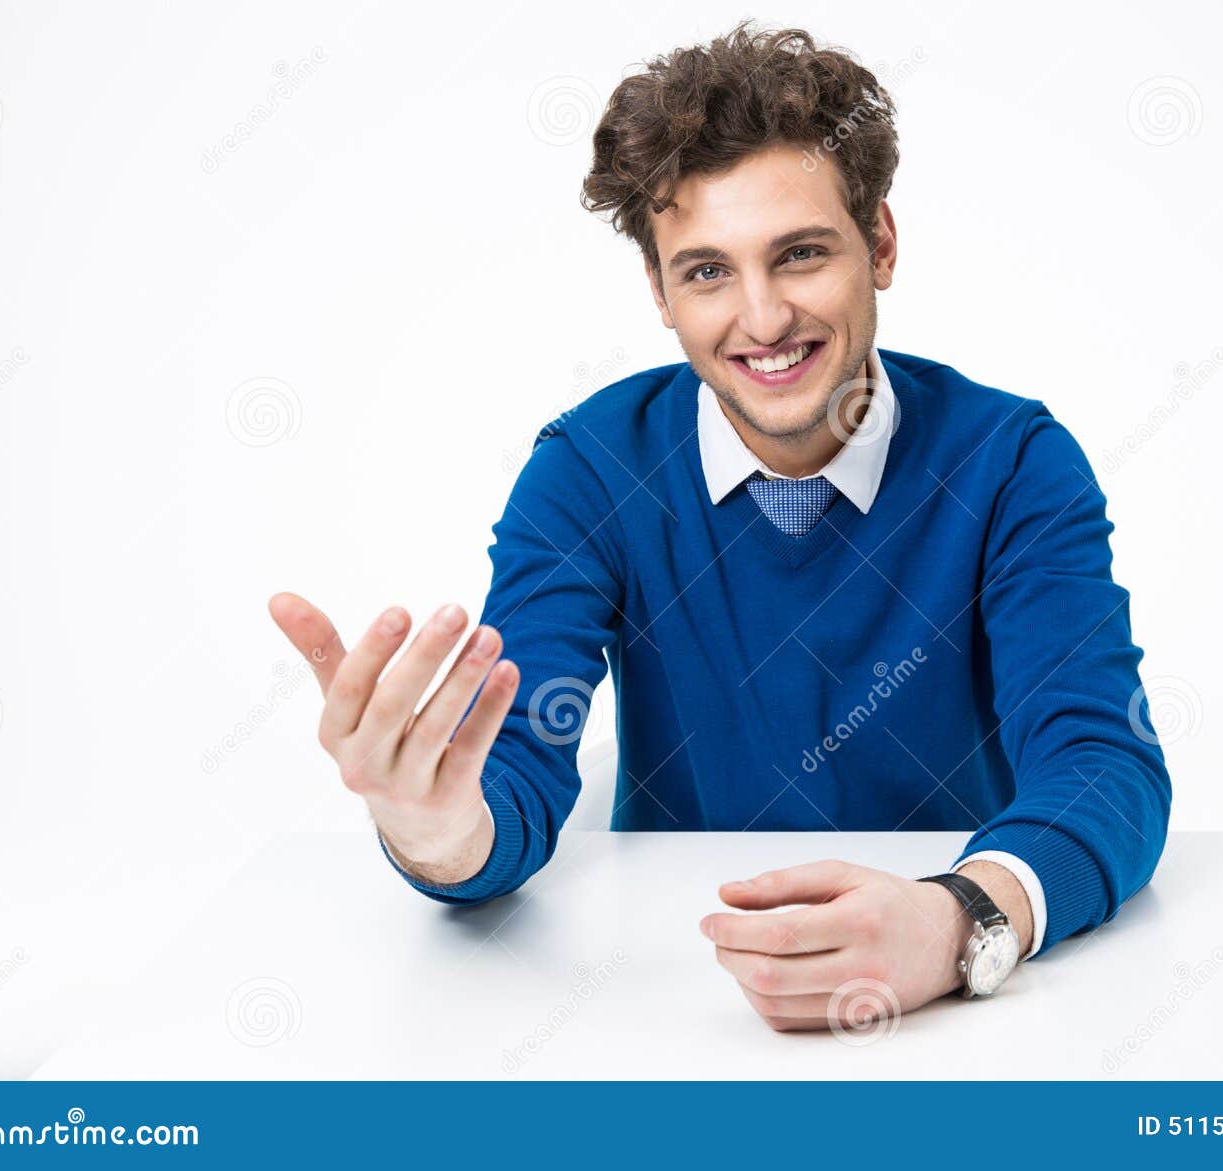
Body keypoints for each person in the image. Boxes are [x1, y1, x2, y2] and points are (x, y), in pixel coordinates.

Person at [268, 20, 1170, 1031]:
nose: (764, 317)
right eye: (706, 272)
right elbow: (514, 769)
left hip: (970, 1022)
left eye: (799, 254)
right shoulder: (591, 468)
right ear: (657, 291)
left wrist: (956, 920)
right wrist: (434, 825)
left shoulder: (1011, 463)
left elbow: (1102, 760)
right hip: (679, 1006)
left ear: (879, 244)